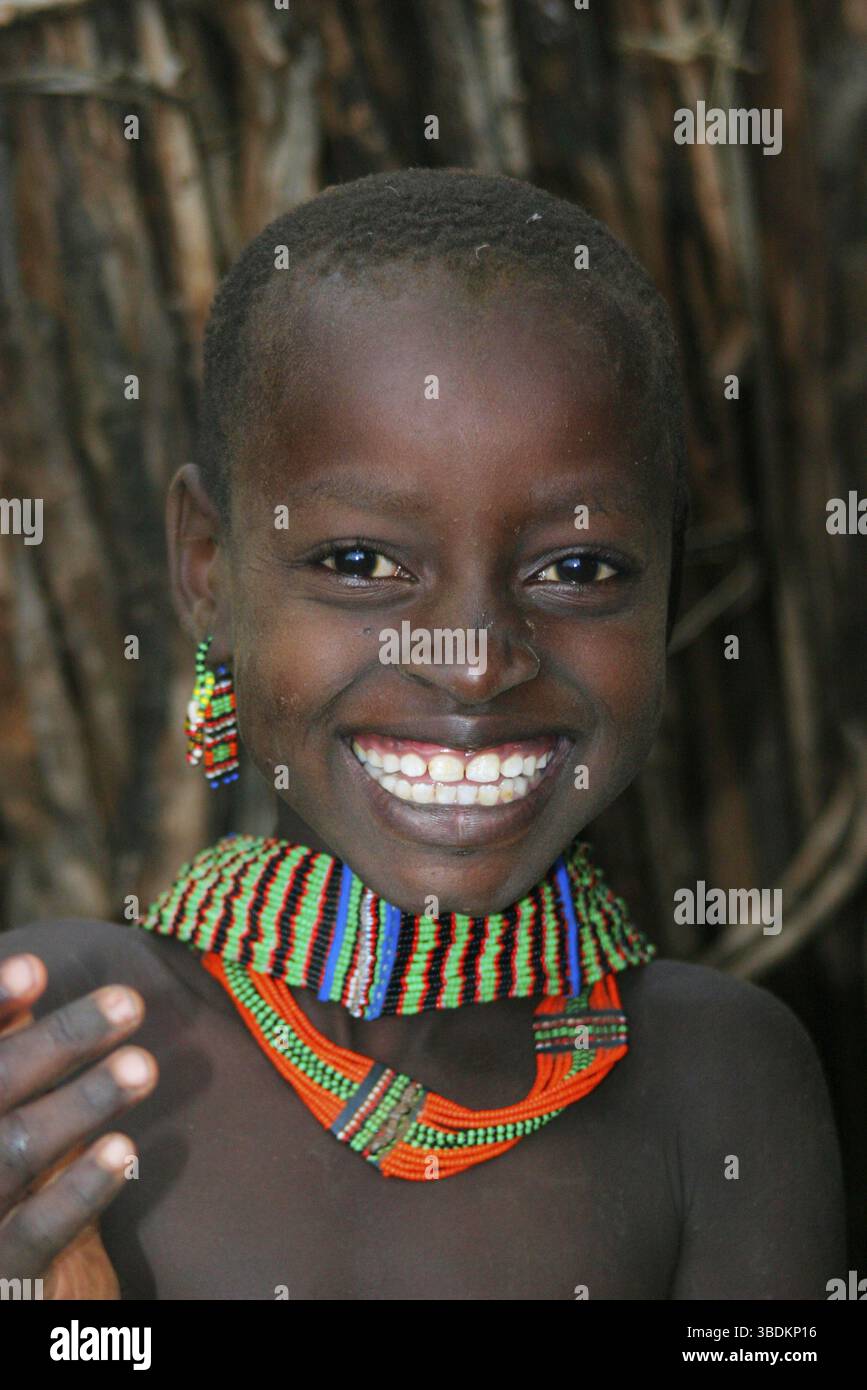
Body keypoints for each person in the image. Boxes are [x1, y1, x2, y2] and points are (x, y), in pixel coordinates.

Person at [0, 169, 845, 1300]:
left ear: (667, 583)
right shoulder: (55, 1045)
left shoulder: (723, 1082)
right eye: (359, 563)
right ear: (209, 569)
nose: (474, 657)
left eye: (577, 568)